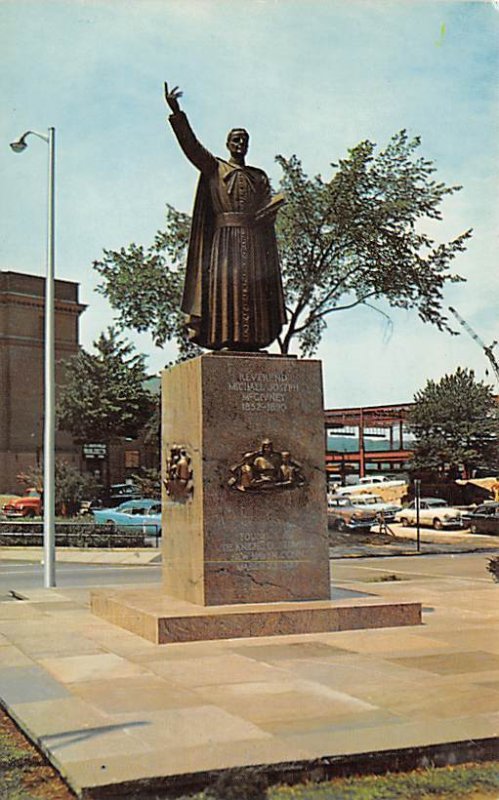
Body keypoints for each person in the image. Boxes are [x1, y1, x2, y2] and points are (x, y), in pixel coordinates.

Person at [164, 82, 287, 351]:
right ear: (228, 144)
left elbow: (266, 207)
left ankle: (253, 340)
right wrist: (177, 113)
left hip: (254, 243)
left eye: (244, 140)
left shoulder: (259, 176)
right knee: (226, 290)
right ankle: (225, 339)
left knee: (253, 291)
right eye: (236, 140)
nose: (240, 144)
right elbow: (192, 148)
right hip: (225, 243)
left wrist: (269, 212)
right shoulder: (215, 167)